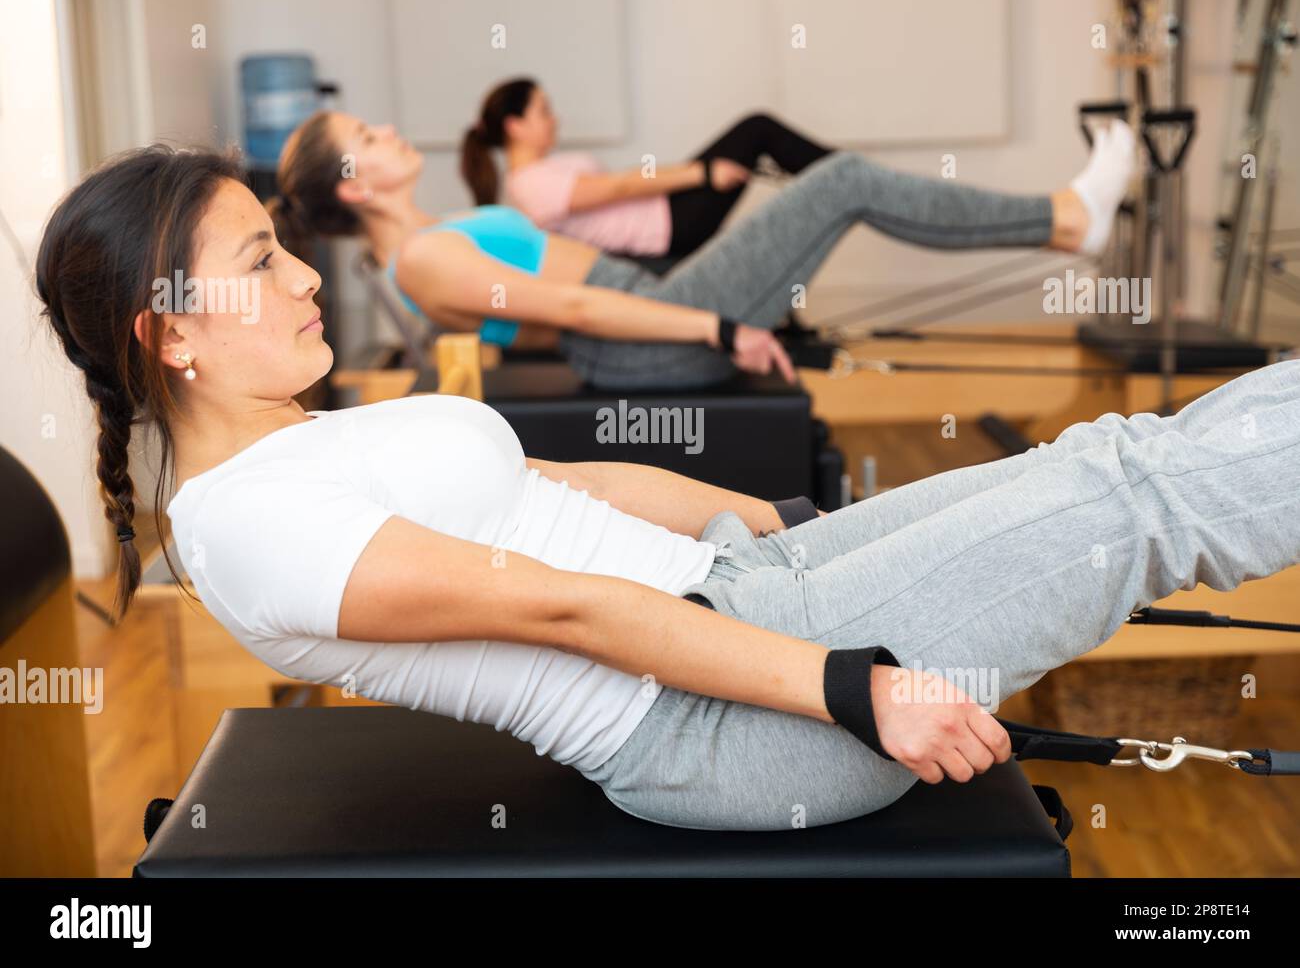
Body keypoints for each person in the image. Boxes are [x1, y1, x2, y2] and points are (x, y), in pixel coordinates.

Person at [37, 144, 1300, 831]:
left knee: (1096, 456)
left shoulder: (305, 435)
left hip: (740, 589)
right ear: (172, 331)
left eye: (287, 248)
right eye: (262, 261)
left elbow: (556, 480)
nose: (306, 277)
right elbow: (560, 607)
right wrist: (854, 686)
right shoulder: (247, 520)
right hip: (724, 724)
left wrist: (788, 528)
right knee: (1133, 501)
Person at [271, 109, 1136, 391]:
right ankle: (1067, 220)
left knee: (839, 187)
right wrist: (717, 329)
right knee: (841, 182)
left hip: (651, 308)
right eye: (366, 138)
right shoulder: (422, 261)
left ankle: (1068, 220)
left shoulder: (430, 240)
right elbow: (570, 308)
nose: (388, 131)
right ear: (354, 186)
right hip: (649, 331)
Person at [460, 77, 834, 259]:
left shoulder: (542, 171)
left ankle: (845, 175)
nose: (554, 119)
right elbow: (618, 187)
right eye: (543, 111)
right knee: (756, 129)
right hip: (668, 228)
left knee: (755, 131)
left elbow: (624, 184)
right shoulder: (530, 184)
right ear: (515, 126)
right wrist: (704, 173)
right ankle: (847, 175)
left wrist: (698, 171)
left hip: (665, 213)